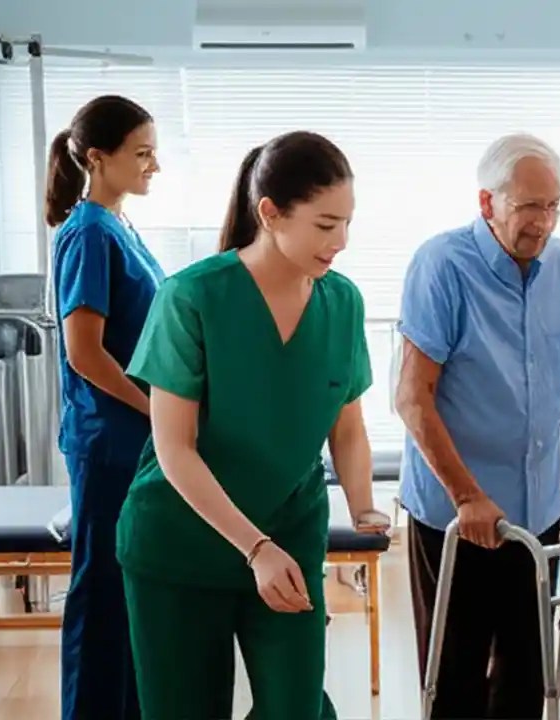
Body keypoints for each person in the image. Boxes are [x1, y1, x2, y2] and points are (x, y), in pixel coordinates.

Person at [114, 131, 391, 720]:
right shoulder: (191, 297)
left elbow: (347, 426)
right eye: (323, 225)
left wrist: (364, 505)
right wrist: (254, 547)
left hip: (288, 536)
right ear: (270, 213)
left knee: (297, 708)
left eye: (347, 223)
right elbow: (174, 448)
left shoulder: (343, 303)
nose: (339, 242)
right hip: (180, 545)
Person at [395, 132, 560, 719]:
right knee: (455, 683)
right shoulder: (442, 266)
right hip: (456, 516)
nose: (543, 222)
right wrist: (468, 496)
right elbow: (412, 399)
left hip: (537, 511)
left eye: (554, 206)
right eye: (529, 206)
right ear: (487, 203)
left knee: (527, 677)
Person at [47, 94, 165, 720]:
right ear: (98, 157)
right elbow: (85, 353)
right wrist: (154, 410)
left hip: (133, 440)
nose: (155, 165)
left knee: (129, 591)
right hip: (108, 439)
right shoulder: (89, 232)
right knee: (100, 592)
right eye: (142, 153)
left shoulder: (119, 225)